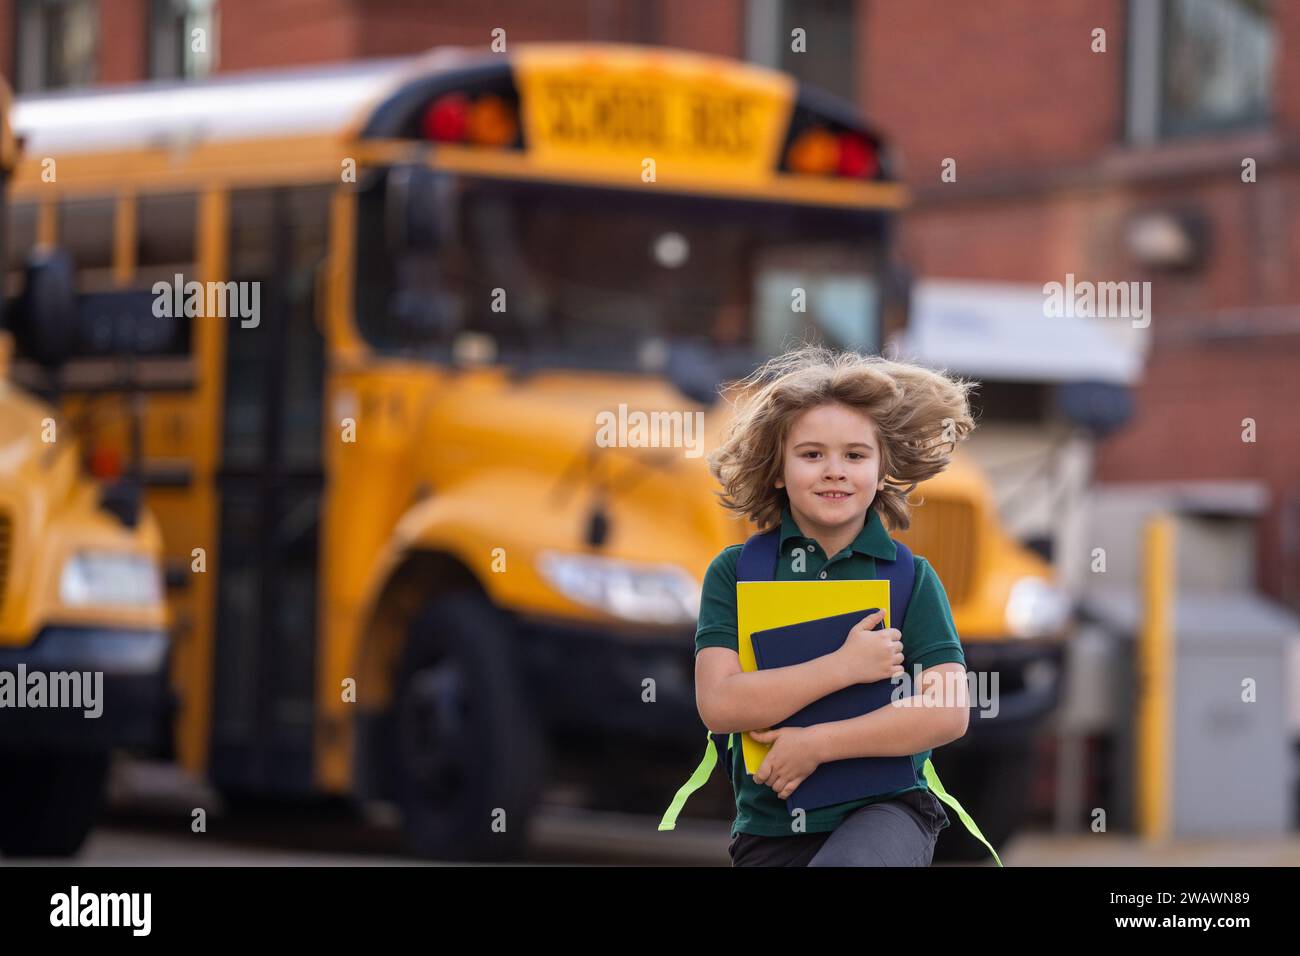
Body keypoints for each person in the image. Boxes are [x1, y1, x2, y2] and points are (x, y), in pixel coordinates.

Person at [694, 343, 976, 866]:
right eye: (811, 454)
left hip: (886, 812)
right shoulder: (733, 574)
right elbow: (720, 704)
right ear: (778, 470)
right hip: (770, 829)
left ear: (882, 468)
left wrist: (818, 743)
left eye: (854, 454)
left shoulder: (912, 580)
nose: (834, 471)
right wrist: (843, 668)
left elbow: (948, 711)